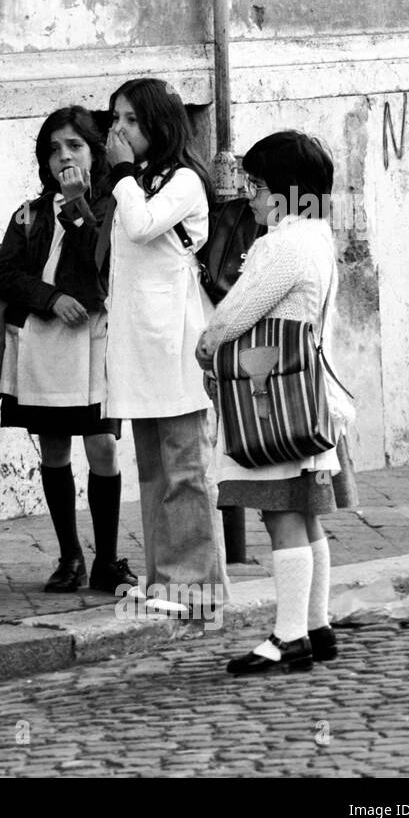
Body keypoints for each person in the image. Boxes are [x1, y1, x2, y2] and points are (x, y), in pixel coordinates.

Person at [195, 131, 356, 673]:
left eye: (257, 185)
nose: (251, 196)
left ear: (285, 191)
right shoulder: (318, 237)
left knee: (280, 513)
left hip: (272, 400)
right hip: (307, 397)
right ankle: (317, 624)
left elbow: (237, 311)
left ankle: (288, 637)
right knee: (308, 517)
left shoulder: (282, 245)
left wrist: (207, 345)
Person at [0, 106, 137, 593]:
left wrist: (79, 206)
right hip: (44, 345)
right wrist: (50, 299)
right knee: (53, 447)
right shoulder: (28, 214)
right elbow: (6, 275)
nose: (63, 156)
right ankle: (69, 556)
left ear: (96, 152)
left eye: (74, 146)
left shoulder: (118, 207)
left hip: (93, 342)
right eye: (53, 149)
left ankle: (108, 559)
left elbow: (106, 265)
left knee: (102, 446)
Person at [102, 78, 229, 618]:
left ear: (158, 123)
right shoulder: (137, 180)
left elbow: (141, 225)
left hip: (175, 343)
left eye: (131, 120)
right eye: (116, 119)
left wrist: (122, 174)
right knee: (153, 472)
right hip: (139, 345)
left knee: (185, 472)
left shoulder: (182, 181)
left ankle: (196, 586)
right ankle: (163, 580)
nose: (119, 130)